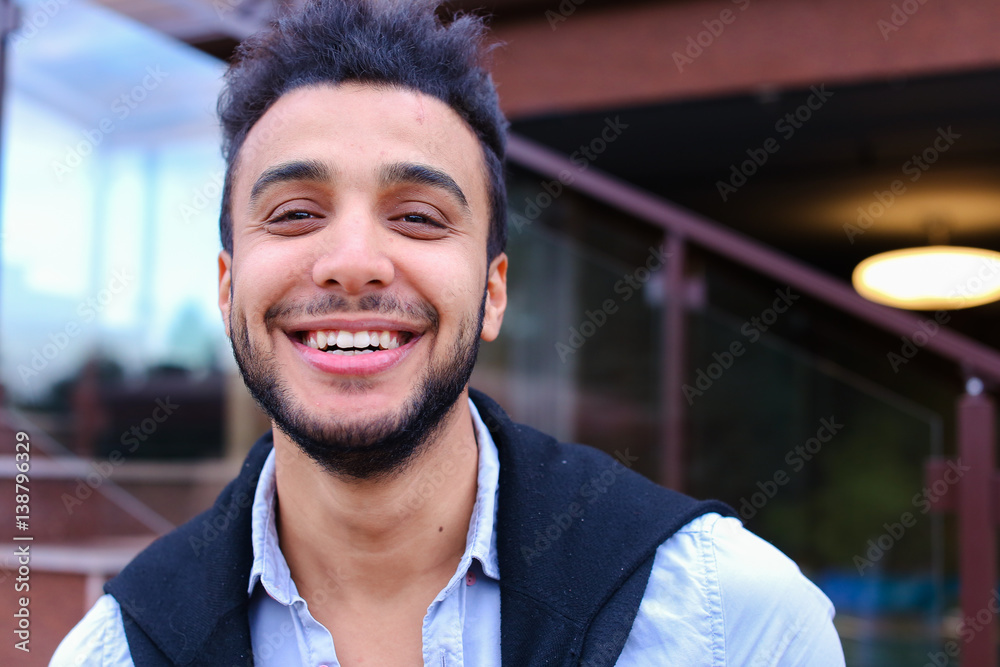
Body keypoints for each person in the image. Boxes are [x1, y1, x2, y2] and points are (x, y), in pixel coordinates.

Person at [51, 0, 845, 664]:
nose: (353, 263)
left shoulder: (730, 621)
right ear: (228, 291)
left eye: (418, 217)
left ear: (494, 292)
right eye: (295, 213)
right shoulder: (115, 651)